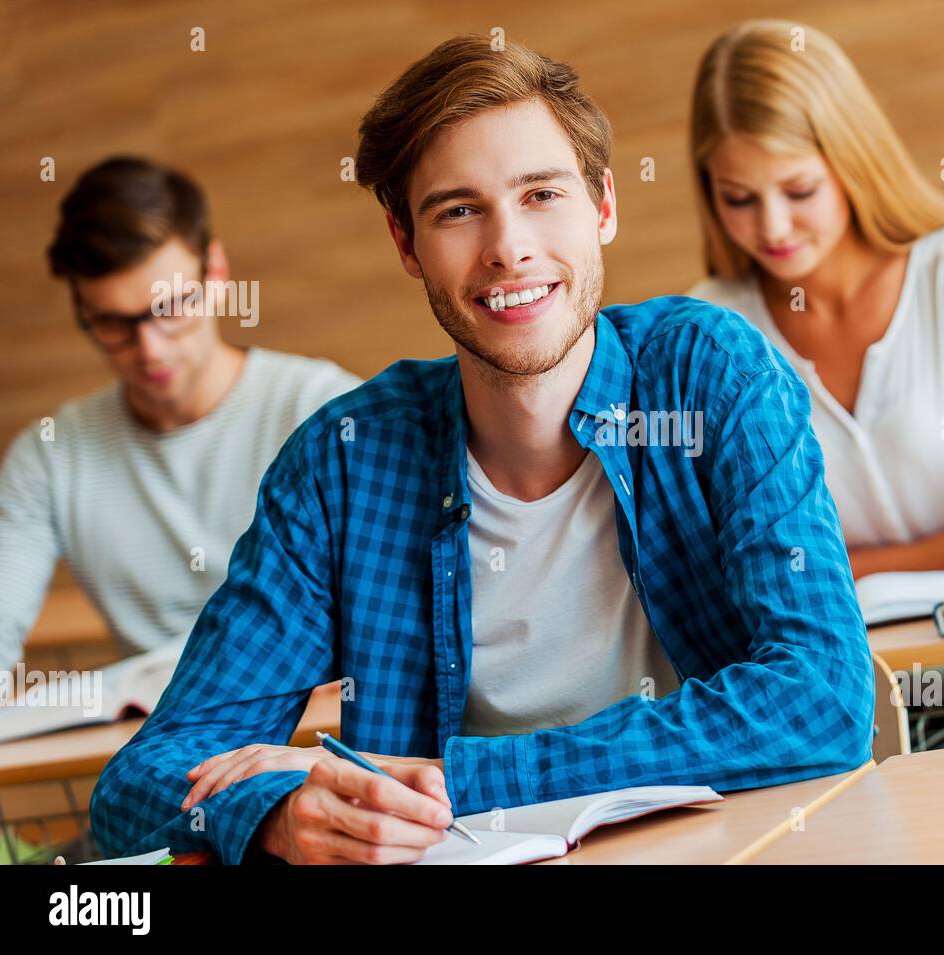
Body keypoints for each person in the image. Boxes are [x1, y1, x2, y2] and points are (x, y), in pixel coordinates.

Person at [90, 35, 874, 865]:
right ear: (405, 242)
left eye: (540, 194)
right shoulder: (343, 463)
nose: (508, 247)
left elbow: (823, 697)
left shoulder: (711, 373)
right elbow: (141, 781)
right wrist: (281, 812)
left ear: (603, 205)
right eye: (457, 210)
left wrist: (449, 775)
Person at [683, 21, 944, 730]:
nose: (772, 226)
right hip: (833, 719)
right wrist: (936, 553)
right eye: (738, 198)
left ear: (851, 160)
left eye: (799, 188)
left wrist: (841, 564)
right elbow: (728, 586)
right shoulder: (714, 325)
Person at [0, 157, 359, 673]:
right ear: (82, 309)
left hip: (314, 728)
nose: (150, 349)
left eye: (170, 308)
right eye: (112, 323)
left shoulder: (323, 411)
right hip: (154, 739)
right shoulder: (50, 457)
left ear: (215, 273)